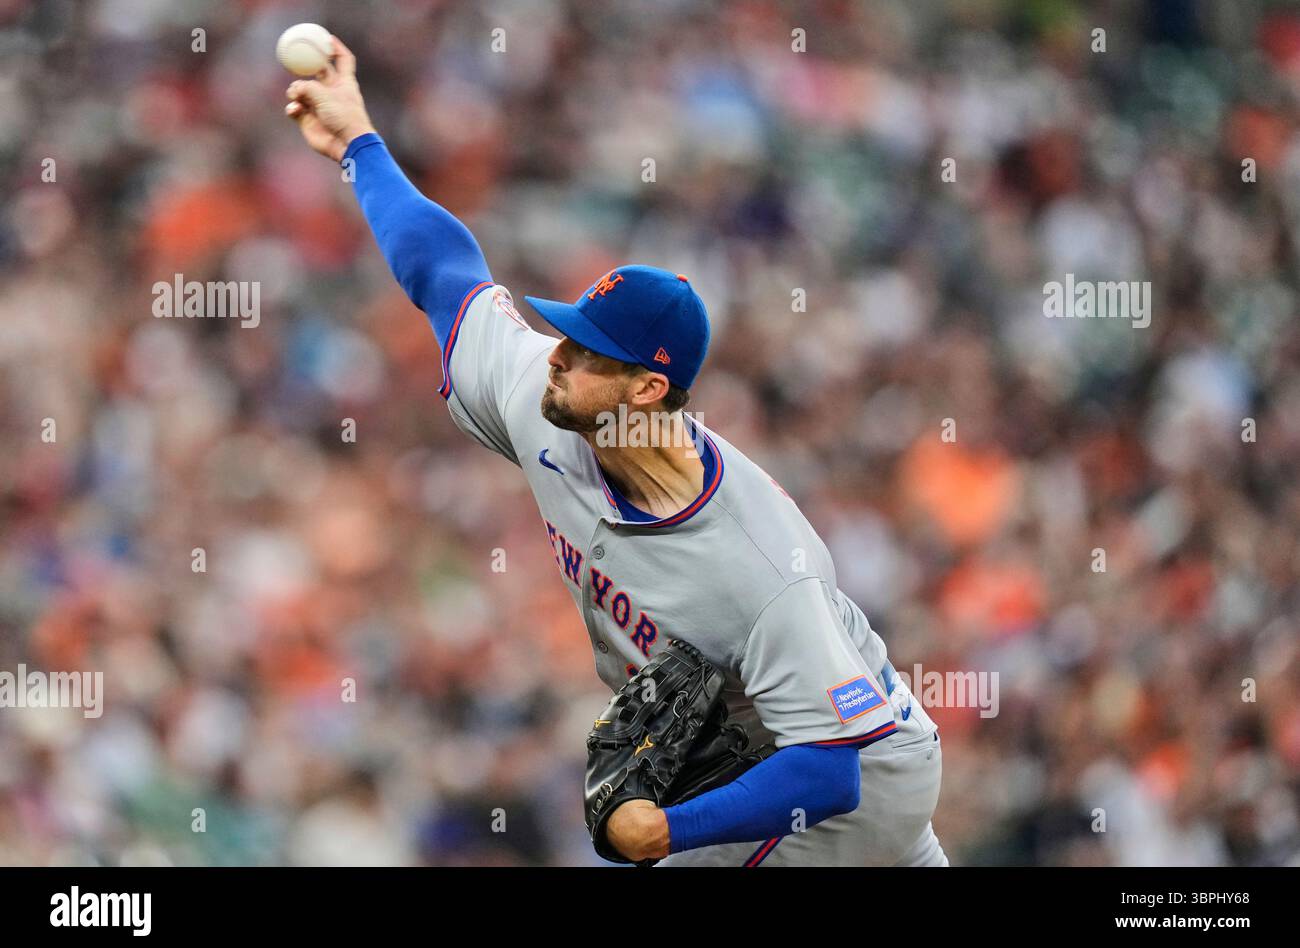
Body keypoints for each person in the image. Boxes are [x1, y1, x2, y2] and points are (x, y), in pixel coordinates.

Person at [284, 36, 947, 866]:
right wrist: (359, 145)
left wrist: (663, 829)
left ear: (644, 391)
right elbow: (445, 272)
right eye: (563, 333)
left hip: (847, 784)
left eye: (585, 349)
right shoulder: (551, 402)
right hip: (792, 763)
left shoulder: (758, 566)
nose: (555, 353)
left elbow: (831, 772)